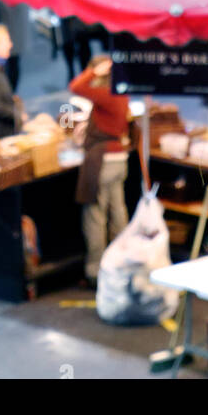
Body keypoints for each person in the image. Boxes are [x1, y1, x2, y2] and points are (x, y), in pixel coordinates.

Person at [70, 56, 131, 284]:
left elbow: (76, 87)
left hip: (103, 162)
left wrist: (94, 72)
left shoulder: (106, 95)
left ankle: (95, 271)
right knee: (118, 212)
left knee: (95, 216)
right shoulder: (122, 95)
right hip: (119, 160)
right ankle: (122, 263)